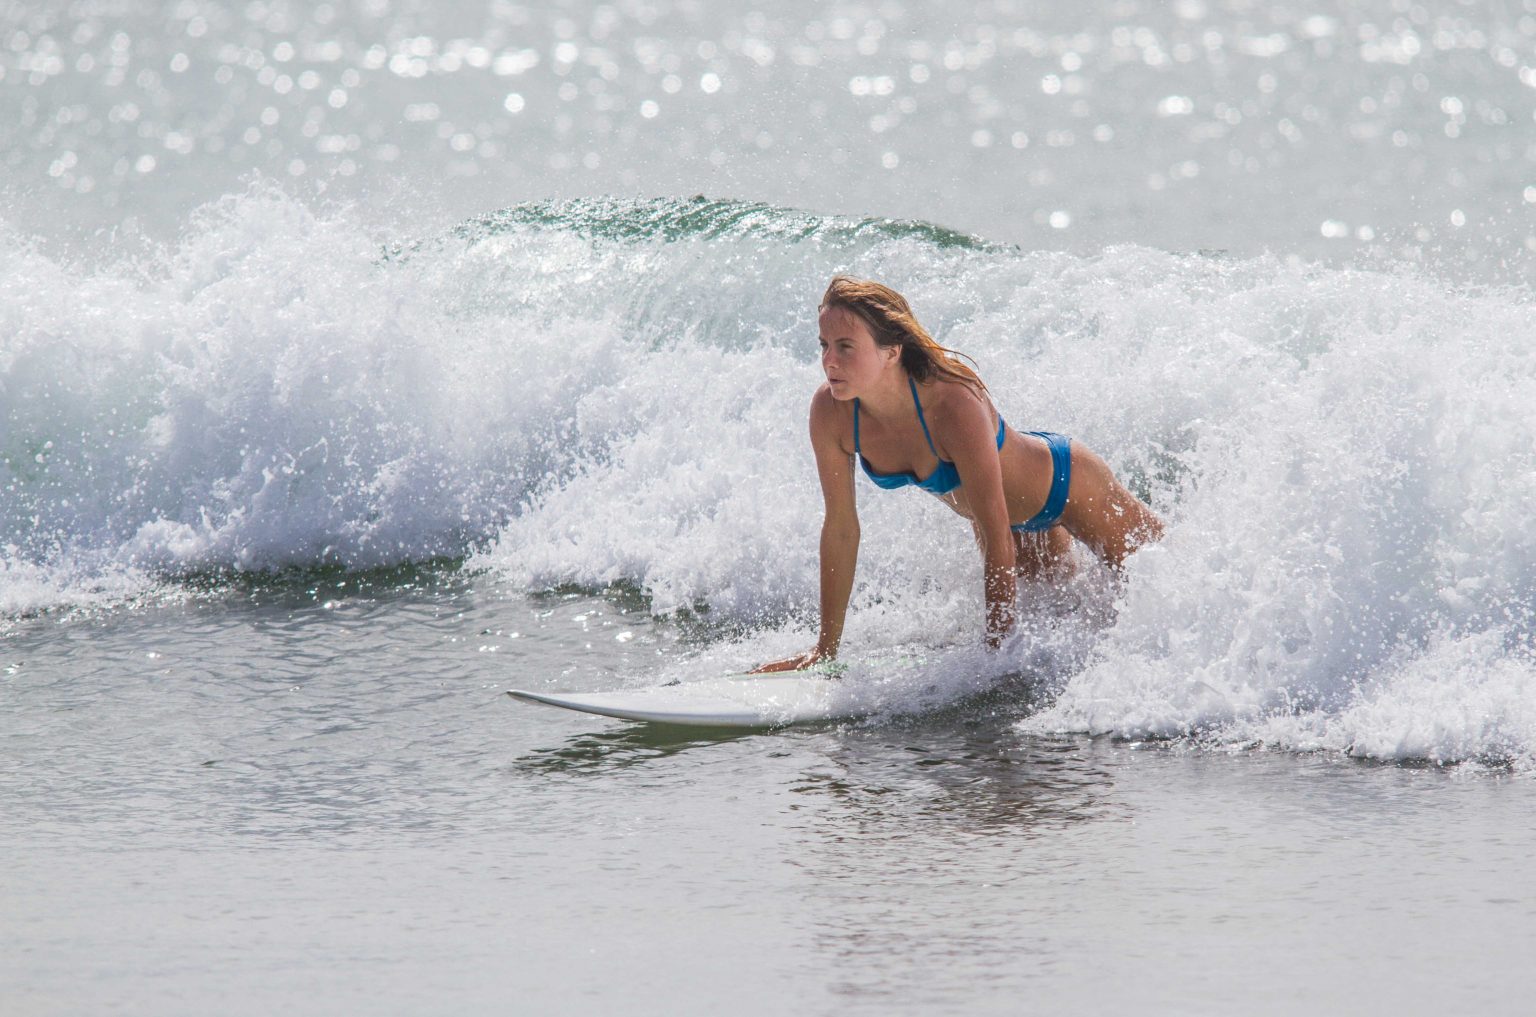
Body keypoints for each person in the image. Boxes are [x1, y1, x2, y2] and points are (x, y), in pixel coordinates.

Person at [753, 276, 1162, 673]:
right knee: (1068, 621)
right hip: (1009, 520)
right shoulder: (833, 412)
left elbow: (996, 533)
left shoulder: (952, 404)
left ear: (891, 352)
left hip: (1068, 485)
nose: (829, 360)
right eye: (824, 345)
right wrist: (825, 650)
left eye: (845, 346)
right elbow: (841, 528)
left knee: (1161, 587)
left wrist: (994, 659)